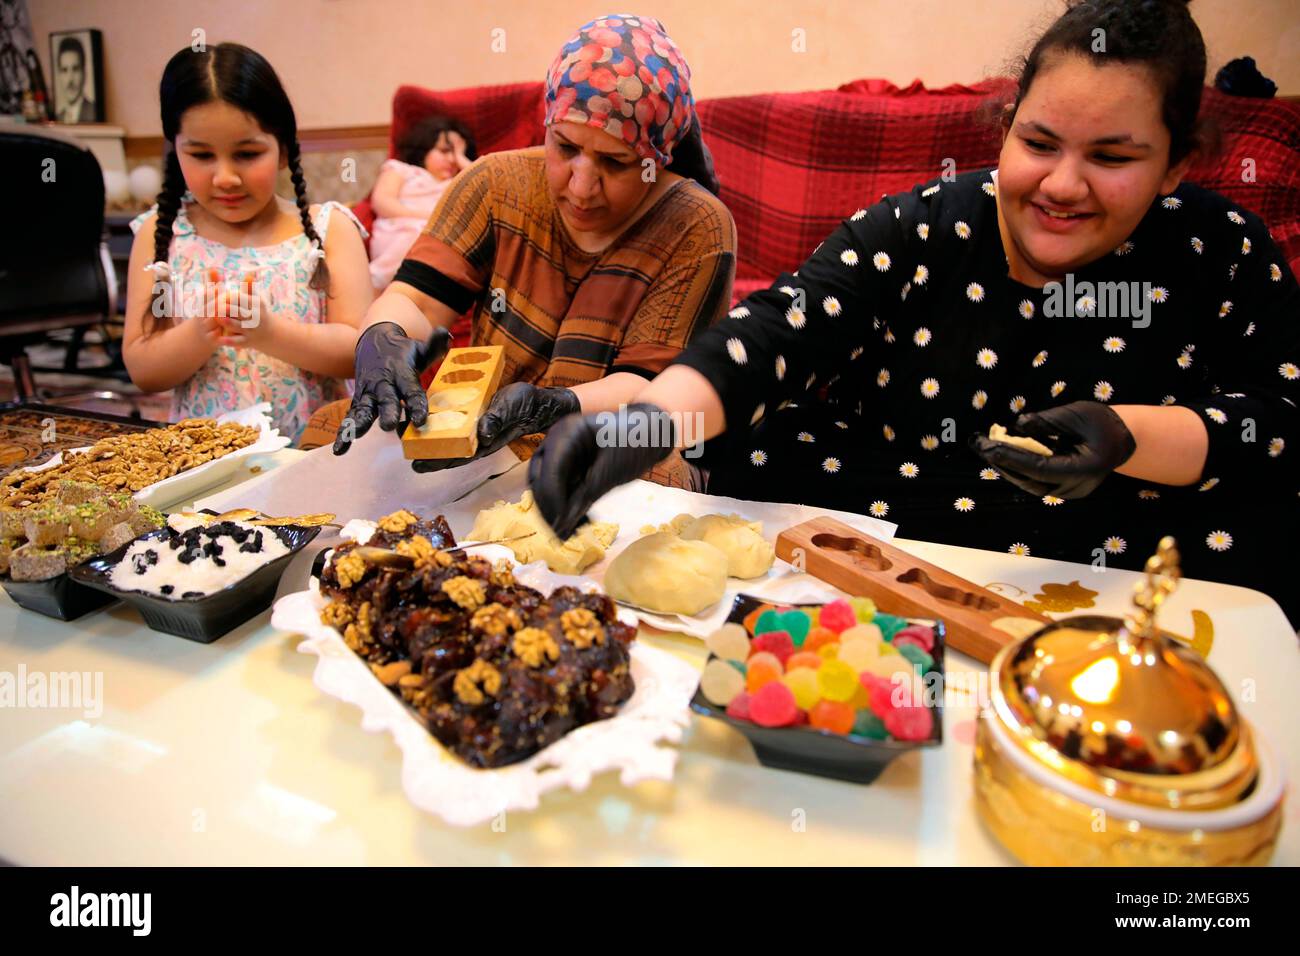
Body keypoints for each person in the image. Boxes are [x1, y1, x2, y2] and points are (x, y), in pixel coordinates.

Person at [528, 0, 1300, 623]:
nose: (1063, 185)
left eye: (1111, 157)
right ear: (1005, 128)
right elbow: (775, 334)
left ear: (1178, 164)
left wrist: (1127, 436)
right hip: (894, 495)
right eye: (1039, 142)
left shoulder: (1219, 249)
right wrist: (641, 427)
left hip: (1119, 524)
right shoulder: (925, 226)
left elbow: (1278, 415)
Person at [332, 13, 736, 486]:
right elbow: (418, 300)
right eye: (565, 148)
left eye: (615, 162)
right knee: (332, 429)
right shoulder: (494, 184)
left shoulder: (696, 225)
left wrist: (555, 407)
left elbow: (650, 388)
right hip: (483, 436)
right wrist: (383, 335)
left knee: (659, 474)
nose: (582, 187)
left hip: (607, 443)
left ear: (657, 159)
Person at [123, 43, 373, 443]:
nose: (225, 177)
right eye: (202, 155)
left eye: (247, 153)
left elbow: (359, 351)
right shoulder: (161, 234)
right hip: (203, 467)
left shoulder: (330, 231)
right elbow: (143, 368)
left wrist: (269, 332)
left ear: (282, 150)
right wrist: (200, 332)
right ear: (176, 150)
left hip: (313, 457)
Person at [368, 116, 477, 290]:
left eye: (456, 153)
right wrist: (428, 219)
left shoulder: (457, 181)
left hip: (438, 245)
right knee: (420, 232)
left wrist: (462, 159)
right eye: (444, 151)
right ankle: (374, 281)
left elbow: (483, 185)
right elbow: (382, 202)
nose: (451, 159)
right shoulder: (403, 170)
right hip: (398, 233)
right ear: (424, 149)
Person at [54, 36, 95, 123]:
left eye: (75, 69)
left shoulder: (94, 112)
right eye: (64, 70)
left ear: (84, 73)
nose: (70, 80)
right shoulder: (57, 118)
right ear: (59, 75)